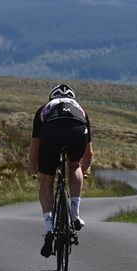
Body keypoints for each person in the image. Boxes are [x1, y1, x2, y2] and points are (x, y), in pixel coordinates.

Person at [29, 83, 93, 257]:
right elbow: (89, 152)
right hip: (77, 132)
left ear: (52, 98)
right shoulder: (81, 110)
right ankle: (75, 214)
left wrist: (35, 170)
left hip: (51, 134)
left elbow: (35, 148)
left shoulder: (44, 108)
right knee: (74, 166)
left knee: (46, 180)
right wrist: (84, 170)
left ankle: (49, 227)